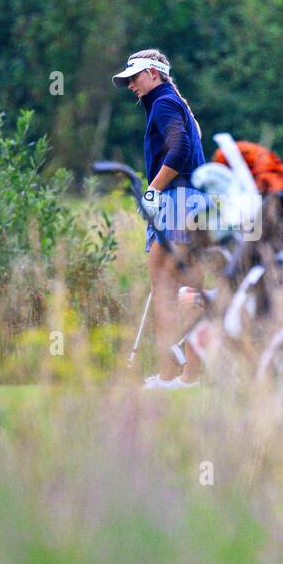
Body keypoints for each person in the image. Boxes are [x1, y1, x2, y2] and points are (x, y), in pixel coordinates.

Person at [111, 48, 208, 389]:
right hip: (195, 202)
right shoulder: (171, 102)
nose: (131, 86)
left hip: (176, 200)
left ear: (153, 73)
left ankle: (170, 375)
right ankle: (189, 376)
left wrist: (152, 190)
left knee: (164, 289)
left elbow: (179, 149)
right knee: (191, 289)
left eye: (134, 78)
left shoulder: (164, 102)